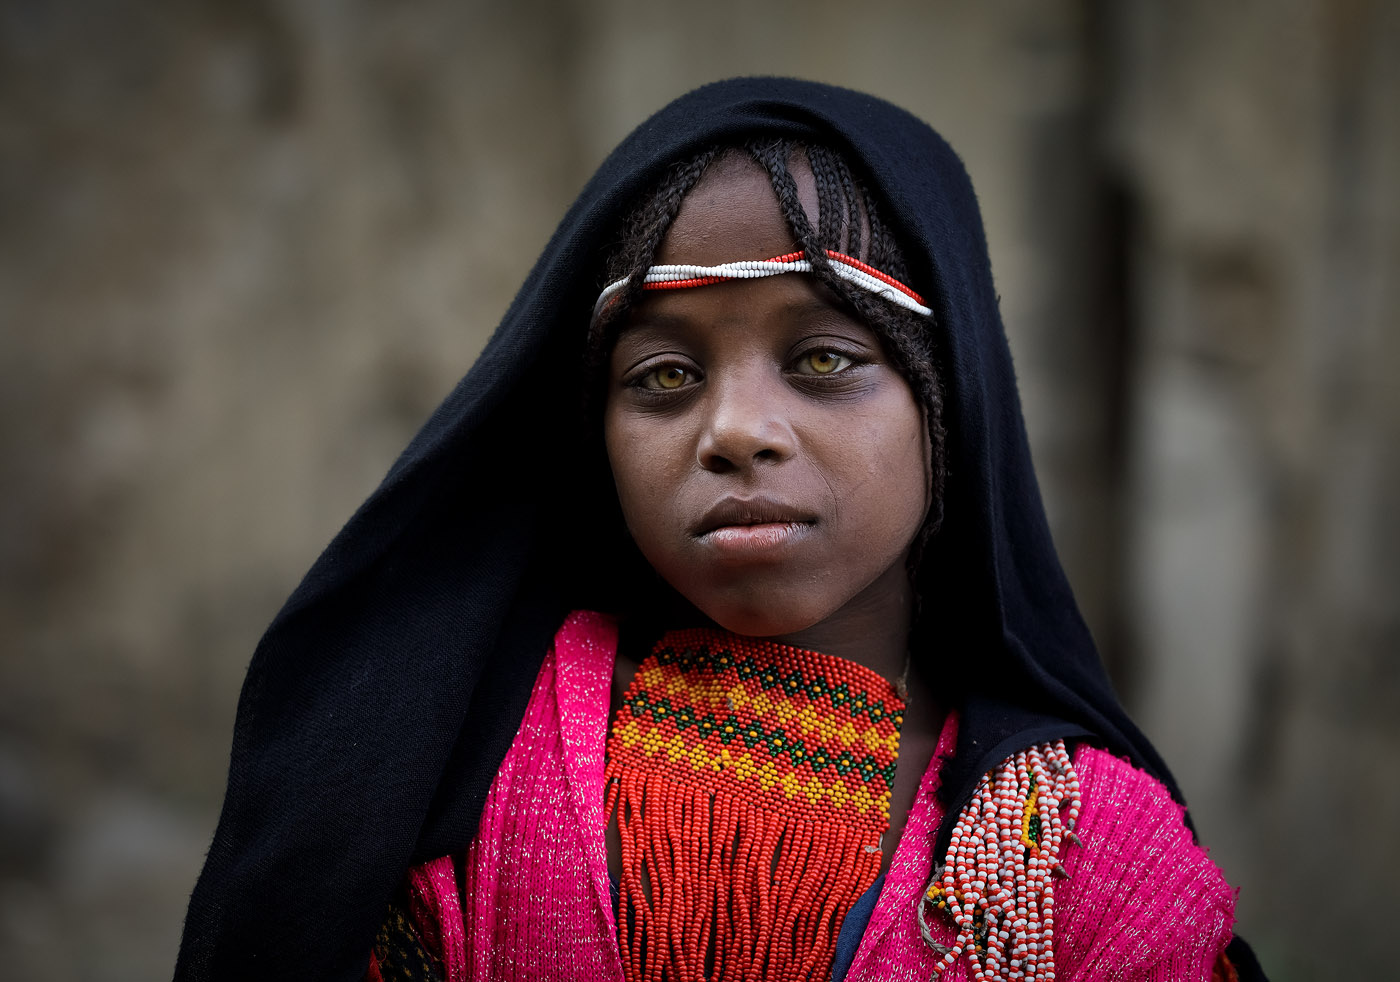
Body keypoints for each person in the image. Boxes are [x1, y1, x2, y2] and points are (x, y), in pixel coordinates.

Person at [175, 79, 1265, 982]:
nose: (736, 430)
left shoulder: (1079, 854)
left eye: (824, 360)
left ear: (946, 405)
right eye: (663, 376)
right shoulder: (443, 766)